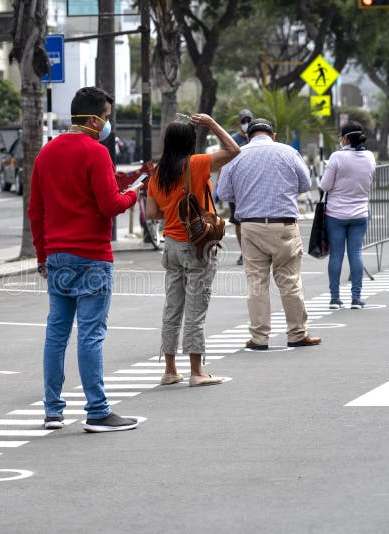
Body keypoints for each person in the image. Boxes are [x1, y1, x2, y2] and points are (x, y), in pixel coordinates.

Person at [28, 86, 146, 433]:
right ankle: (97, 410)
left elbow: (36, 211)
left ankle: (53, 410)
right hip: (92, 257)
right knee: (91, 335)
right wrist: (132, 193)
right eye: (106, 118)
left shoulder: (46, 154)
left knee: (57, 333)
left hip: (58, 256)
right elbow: (109, 206)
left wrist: (42, 256)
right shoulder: (95, 153)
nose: (107, 125)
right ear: (94, 119)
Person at [146, 114, 240, 386]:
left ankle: (170, 370)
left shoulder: (158, 172)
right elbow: (234, 150)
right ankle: (197, 372)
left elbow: (152, 213)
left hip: (171, 246)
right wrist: (212, 123)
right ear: (191, 142)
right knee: (196, 308)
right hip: (196, 245)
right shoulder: (196, 164)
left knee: (172, 308)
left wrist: (175, 213)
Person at [216, 118, 321, 350]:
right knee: (290, 282)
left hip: (250, 227)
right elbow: (305, 185)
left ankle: (259, 337)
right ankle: (297, 333)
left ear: (247, 136)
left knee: (256, 283)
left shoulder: (237, 155)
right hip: (284, 225)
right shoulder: (288, 152)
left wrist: (245, 193)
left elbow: (223, 192)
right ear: (273, 135)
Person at [319, 121, 376, 310]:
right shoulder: (369, 157)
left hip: (336, 214)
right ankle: (356, 298)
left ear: (344, 138)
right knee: (356, 253)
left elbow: (325, 186)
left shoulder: (337, 157)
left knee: (336, 255)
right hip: (360, 213)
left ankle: (335, 298)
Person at [229, 109, 252, 265]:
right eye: (243, 121)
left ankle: (253, 252)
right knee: (238, 221)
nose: (246, 124)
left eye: (248, 120)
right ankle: (243, 252)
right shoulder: (233, 140)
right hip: (236, 186)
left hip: (253, 185)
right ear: (239, 123)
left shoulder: (256, 138)